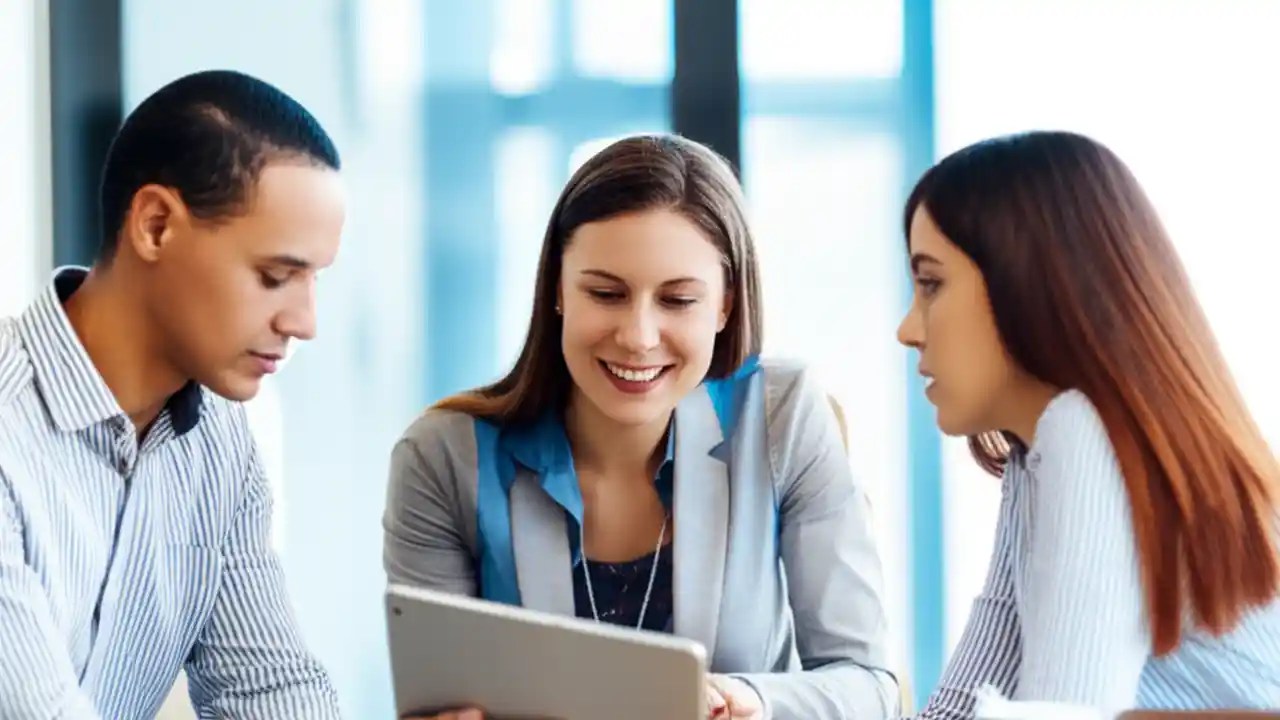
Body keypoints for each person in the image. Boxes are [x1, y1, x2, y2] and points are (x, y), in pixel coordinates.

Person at [383, 134, 898, 720]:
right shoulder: (443, 458)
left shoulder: (785, 417)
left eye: (678, 300)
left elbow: (868, 685)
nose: (638, 336)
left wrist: (750, 702)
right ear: (556, 288)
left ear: (725, 305)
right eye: (606, 293)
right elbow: (434, 698)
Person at [897, 130, 1280, 718]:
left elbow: (1062, 712)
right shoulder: (1039, 454)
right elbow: (972, 687)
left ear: (1025, 281)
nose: (909, 329)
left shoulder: (1084, 431)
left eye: (931, 285)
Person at [0, 69, 346, 718]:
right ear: (155, 225)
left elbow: (271, 690)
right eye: (276, 276)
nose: (304, 322)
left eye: (313, 281)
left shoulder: (219, 443)